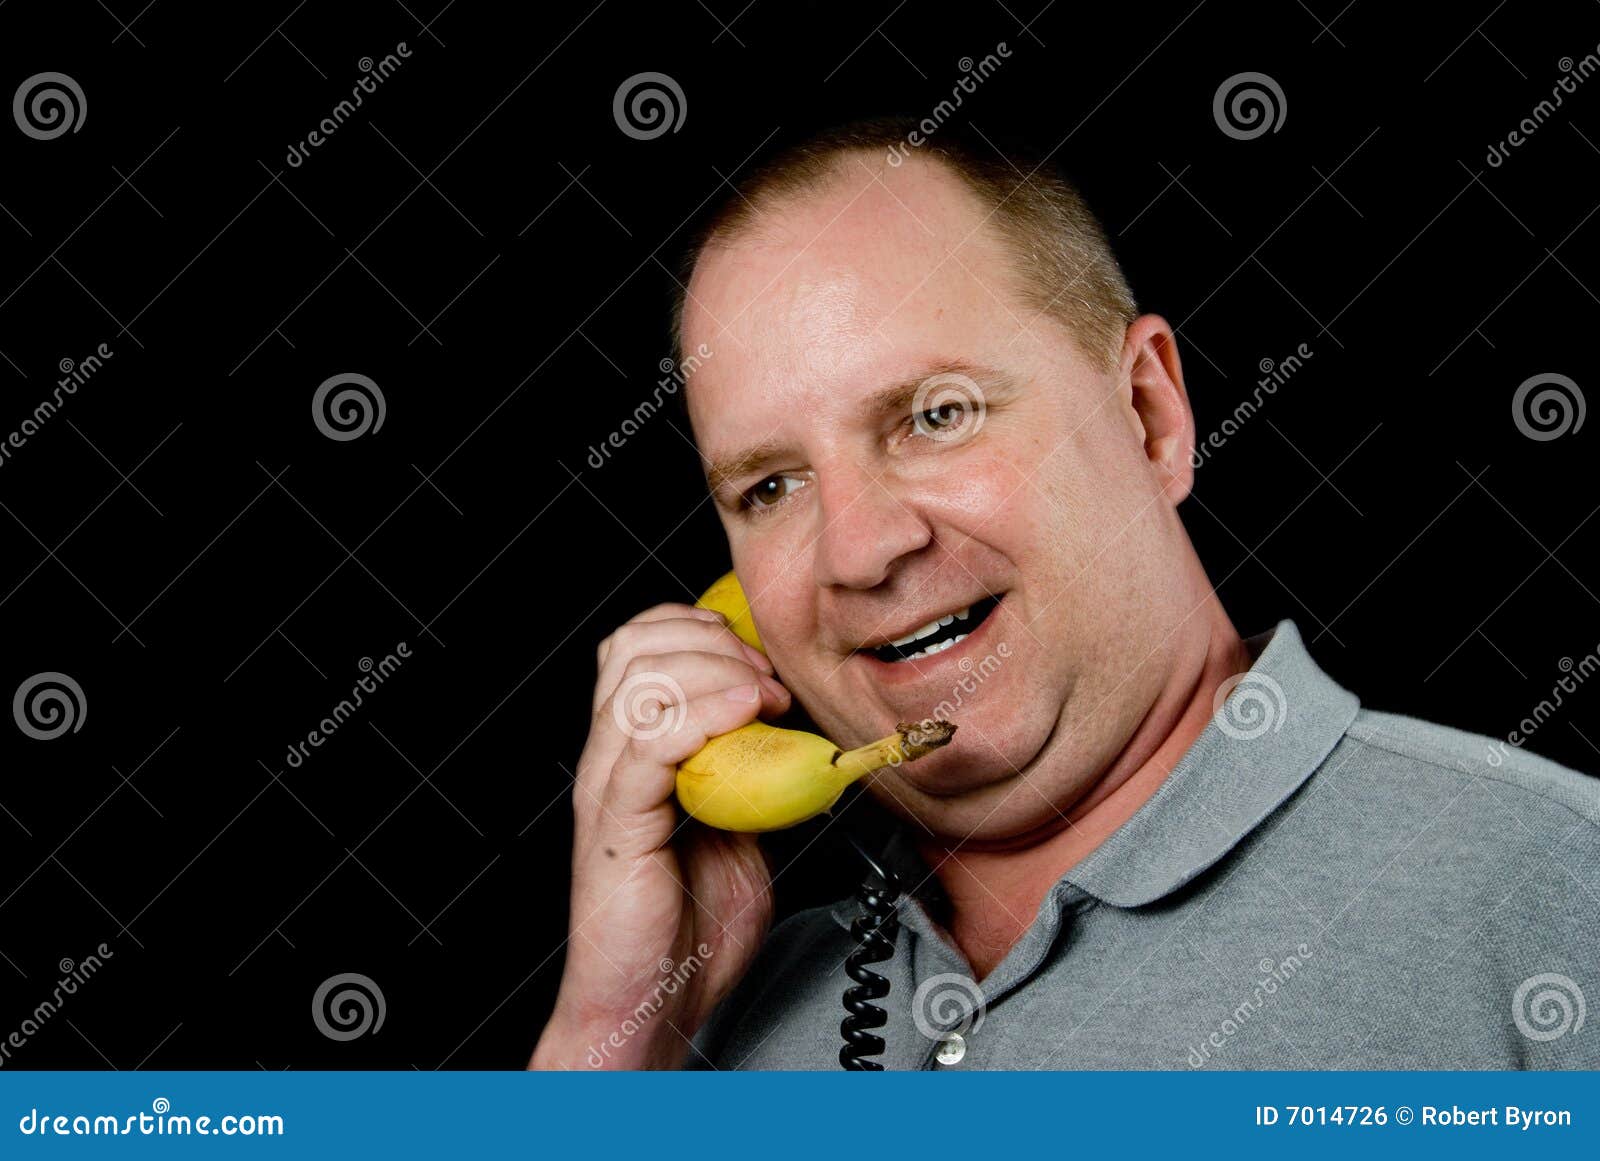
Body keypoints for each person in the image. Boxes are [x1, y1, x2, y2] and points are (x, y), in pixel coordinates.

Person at [529, 120, 1599, 1070]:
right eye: (769, 485)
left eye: (936, 415)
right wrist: (613, 1032)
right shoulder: (705, 1036)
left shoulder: (1550, 891)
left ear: (1149, 415)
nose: (858, 551)